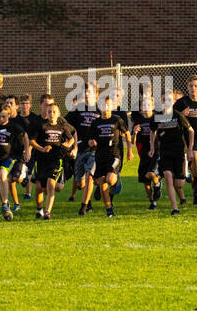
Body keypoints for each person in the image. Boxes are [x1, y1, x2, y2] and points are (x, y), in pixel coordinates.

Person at [30, 100, 76, 219]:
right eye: (49, 111)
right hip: (41, 159)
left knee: (51, 184)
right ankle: (39, 210)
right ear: (46, 112)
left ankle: (47, 212)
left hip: (56, 159)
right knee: (39, 187)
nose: (52, 114)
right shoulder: (42, 125)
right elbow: (32, 141)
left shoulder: (62, 126)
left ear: (59, 113)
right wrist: (42, 148)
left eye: (54, 112)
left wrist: (67, 144)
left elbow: (71, 139)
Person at [154, 91, 195, 215]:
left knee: (179, 183)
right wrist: (152, 147)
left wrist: (190, 149)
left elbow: (191, 131)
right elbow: (152, 132)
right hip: (165, 152)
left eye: (169, 100)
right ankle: (175, 208)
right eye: (164, 100)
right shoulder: (158, 117)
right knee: (167, 175)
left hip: (179, 152)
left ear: (173, 102)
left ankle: (186, 178)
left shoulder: (178, 116)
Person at [174, 75, 197, 204]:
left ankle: (196, 184)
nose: (193, 88)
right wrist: (181, 114)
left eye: (195, 86)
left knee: (195, 155)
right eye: (190, 86)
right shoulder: (182, 103)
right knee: (189, 163)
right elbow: (171, 116)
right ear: (187, 88)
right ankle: (195, 189)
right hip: (184, 136)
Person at [91, 89, 129, 217]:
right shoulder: (95, 123)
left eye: (108, 105)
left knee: (110, 179)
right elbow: (91, 138)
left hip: (114, 155)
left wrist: (130, 151)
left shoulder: (116, 120)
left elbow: (127, 133)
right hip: (100, 156)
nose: (105, 107)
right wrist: (91, 142)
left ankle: (116, 179)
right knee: (102, 185)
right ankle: (109, 210)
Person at [65, 84, 102, 212]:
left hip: (94, 152)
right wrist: (71, 145)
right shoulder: (77, 109)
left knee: (89, 176)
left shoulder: (101, 110)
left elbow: (108, 130)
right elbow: (65, 126)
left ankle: (84, 207)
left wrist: (99, 141)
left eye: (90, 92)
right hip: (80, 150)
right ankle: (91, 195)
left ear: (96, 95)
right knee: (80, 183)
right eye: (85, 92)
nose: (86, 94)